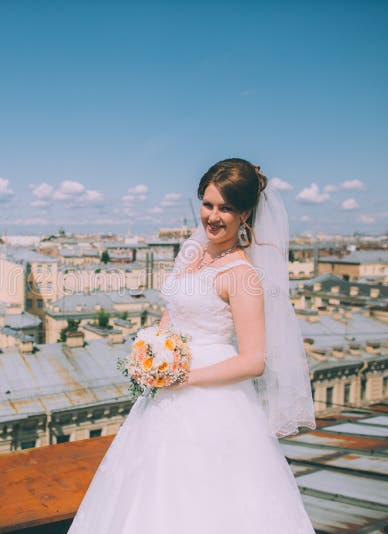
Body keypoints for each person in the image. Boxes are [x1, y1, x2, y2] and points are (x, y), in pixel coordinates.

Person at [68, 158, 316, 533]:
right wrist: (151, 350)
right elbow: (175, 312)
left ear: (246, 213)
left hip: (212, 397)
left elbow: (253, 362)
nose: (213, 217)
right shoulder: (194, 254)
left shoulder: (242, 275)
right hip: (164, 392)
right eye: (208, 204)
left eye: (226, 208)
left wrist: (184, 377)